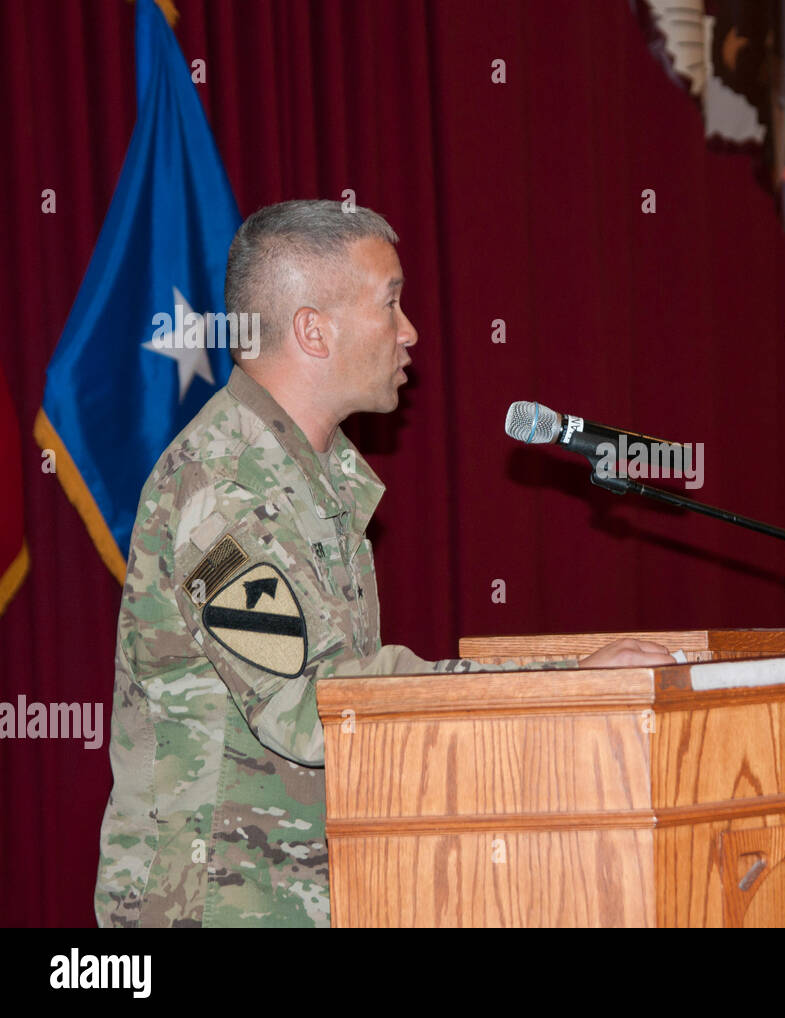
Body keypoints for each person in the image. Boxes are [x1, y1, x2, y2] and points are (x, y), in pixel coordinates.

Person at [94, 199, 672, 928]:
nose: (410, 332)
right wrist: (563, 690)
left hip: (306, 893)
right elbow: (320, 706)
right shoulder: (223, 484)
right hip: (216, 907)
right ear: (312, 329)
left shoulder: (319, 475)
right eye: (391, 303)